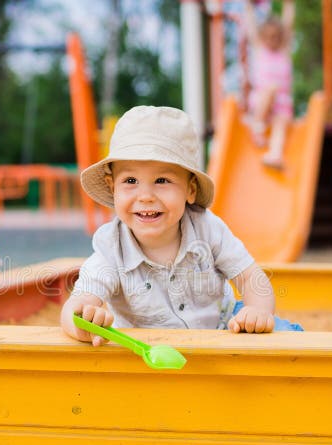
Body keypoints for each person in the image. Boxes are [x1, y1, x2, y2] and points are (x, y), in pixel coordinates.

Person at [61, 105, 301, 346]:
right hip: (151, 347)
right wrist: (84, 318)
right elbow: (77, 303)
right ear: (113, 188)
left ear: (190, 190)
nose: (145, 196)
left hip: (223, 329)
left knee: (287, 338)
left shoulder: (207, 228)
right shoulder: (112, 249)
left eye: (162, 180)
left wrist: (258, 312)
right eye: (130, 181)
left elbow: (252, 279)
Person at [243, 0, 295, 168]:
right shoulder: (260, 49)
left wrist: (289, 5)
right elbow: (251, 25)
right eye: (269, 36)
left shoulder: (283, 50)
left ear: (281, 37)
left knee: (281, 123)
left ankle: (275, 154)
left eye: (276, 36)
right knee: (271, 89)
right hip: (261, 102)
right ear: (263, 36)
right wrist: (249, 6)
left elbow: (288, 24)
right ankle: (257, 126)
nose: (273, 40)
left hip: (281, 105)